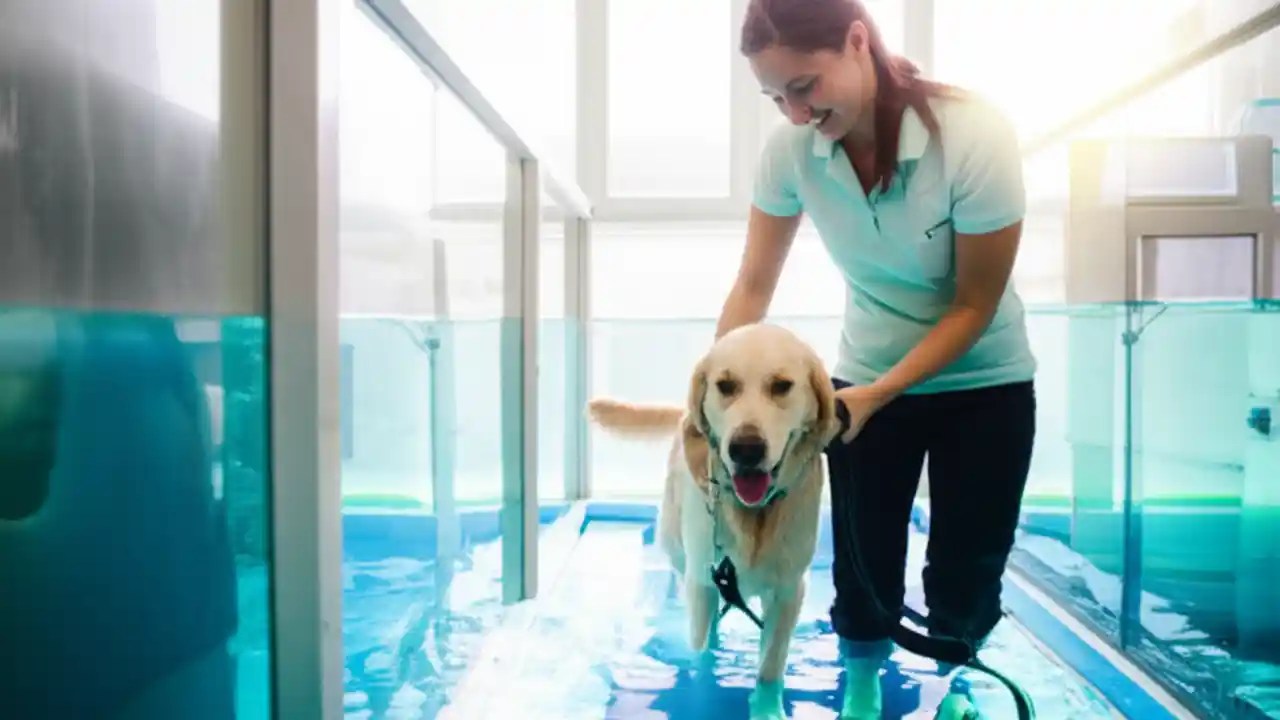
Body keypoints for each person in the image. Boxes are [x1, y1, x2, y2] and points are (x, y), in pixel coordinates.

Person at [719, 0, 1037, 717]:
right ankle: (862, 690)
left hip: (985, 380)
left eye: (803, 87)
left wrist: (878, 392)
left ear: (858, 41)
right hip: (863, 380)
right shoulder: (789, 152)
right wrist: (710, 407)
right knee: (863, 561)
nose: (795, 114)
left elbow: (972, 305)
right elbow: (752, 286)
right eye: (775, 97)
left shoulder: (974, 134)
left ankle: (957, 686)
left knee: (967, 564)